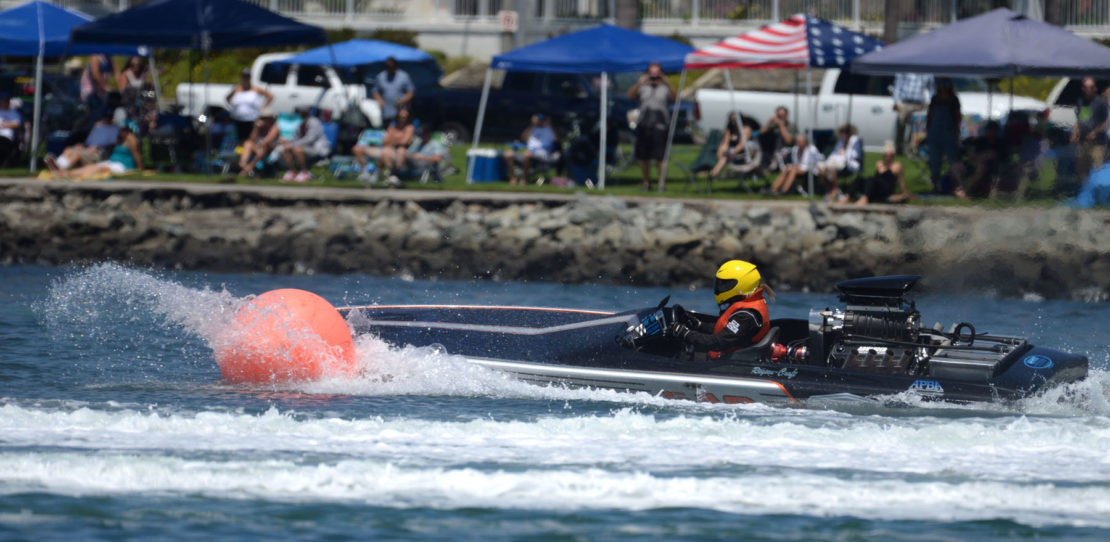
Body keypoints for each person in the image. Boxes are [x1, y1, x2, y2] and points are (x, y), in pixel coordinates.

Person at [669, 260, 774, 359]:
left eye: (725, 284)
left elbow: (717, 342)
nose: (720, 287)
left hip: (725, 363)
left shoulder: (746, 316)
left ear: (742, 285)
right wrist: (699, 324)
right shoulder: (748, 307)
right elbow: (725, 330)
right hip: (724, 357)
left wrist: (684, 333)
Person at [628, 61, 676, 191]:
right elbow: (630, 96)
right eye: (652, 74)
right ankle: (646, 183)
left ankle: (661, 184)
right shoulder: (643, 87)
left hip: (660, 125)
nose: (654, 77)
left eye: (657, 74)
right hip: (644, 124)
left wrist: (667, 82)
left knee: (661, 157)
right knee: (643, 156)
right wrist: (640, 82)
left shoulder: (665, 88)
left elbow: (675, 98)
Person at [926, 77, 966, 197]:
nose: (943, 86)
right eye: (941, 83)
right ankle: (936, 185)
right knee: (935, 160)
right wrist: (928, 131)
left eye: (946, 83)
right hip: (935, 133)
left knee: (952, 159)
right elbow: (929, 116)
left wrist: (956, 132)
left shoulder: (954, 99)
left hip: (949, 133)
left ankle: (957, 185)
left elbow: (957, 117)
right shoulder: (935, 99)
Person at [55, 125, 142, 180]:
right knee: (91, 166)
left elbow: (136, 155)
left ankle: (68, 174)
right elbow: (108, 146)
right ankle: (66, 173)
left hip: (123, 165)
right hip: (113, 162)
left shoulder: (131, 139)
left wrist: (140, 169)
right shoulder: (119, 139)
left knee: (99, 169)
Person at [45, 113, 120, 172]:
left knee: (77, 154)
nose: (105, 119)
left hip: (99, 152)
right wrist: (82, 145)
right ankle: (57, 165)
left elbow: (113, 144)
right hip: (88, 148)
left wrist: (97, 147)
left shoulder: (115, 129)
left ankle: (60, 169)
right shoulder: (98, 126)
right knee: (69, 149)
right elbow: (89, 141)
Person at [503, 114, 558, 185]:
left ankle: (524, 179)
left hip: (543, 154)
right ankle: (513, 178)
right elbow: (523, 138)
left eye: (541, 119)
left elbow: (558, 140)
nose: (540, 121)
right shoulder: (532, 128)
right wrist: (532, 124)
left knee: (527, 154)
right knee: (508, 154)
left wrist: (550, 124)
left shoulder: (549, 129)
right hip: (528, 152)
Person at [279, 107, 331, 183]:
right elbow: (295, 138)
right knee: (285, 149)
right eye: (300, 111)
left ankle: (304, 172)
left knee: (298, 149)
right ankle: (292, 172)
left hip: (317, 149)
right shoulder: (301, 123)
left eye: (303, 111)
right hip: (305, 148)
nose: (301, 113)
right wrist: (287, 142)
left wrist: (292, 144)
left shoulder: (314, 122)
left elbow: (310, 139)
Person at [850, 141, 911, 205]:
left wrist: (903, 193)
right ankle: (847, 196)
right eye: (886, 155)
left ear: (893, 156)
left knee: (871, 180)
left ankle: (865, 198)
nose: (888, 158)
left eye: (890, 156)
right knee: (860, 179)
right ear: (883, 155)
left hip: (886, 188)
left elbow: (901, 182)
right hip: (877, 187)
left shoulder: (897, 166)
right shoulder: (879, 164)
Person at [1073, 76, 1108, 184]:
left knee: (1097, 169)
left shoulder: (1101, 103)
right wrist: (1075, 133)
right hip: (1083, 142)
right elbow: (1081, 119)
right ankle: (1085, 189)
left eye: (1091, 87)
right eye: (1086, 87)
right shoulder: (1081, 102)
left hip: (1097, 144)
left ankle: (1097, 190)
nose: (1089, 90)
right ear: (1083, 88)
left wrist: (1095, 132)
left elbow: (1105, 123)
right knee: (1082, 168)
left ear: (1095, 88)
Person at [226, 68, 275, 144]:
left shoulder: (255, 88)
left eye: (247, 76)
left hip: (252, 119)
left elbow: (270, 96)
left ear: (250, 78)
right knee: (239, 140)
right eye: (244, 76)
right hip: (238, 119)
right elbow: (227, 98)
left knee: (251, 140)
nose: (246, 78)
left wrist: (263, 106)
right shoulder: (237, 88)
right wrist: (234, 108)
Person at [818, 123, 863, 202]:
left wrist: (845, 154)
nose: (843, 134)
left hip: (848, 163)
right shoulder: (840, 142)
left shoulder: (855, 141)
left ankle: (834, 190)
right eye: (842, 132)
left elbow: (855, 155)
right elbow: (835, 154)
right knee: (821, 168)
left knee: (831, 168)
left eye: (846, 132)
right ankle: (831, 188)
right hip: (836, 161)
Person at [891, 73, 934, 155]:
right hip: (905, 103)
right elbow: (898, 86)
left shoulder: (927, 73)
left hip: (920, 104)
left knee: (916, 129)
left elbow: (931, 89)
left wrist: (931, 102)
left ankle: (912, 150)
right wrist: (896, 101)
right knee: (900, 125)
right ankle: (899, 148)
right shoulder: (905, 71)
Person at [965, 120, 1010, 198]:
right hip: (977, 165)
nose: (992, 132)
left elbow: (999, 156)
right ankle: (966, 189)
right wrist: (981, 157)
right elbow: (973, 155)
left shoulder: (1001, 143)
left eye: (994, 130)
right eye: (990, 129)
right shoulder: (981, 141)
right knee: (979, 167)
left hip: (995, 167)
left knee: (982, 166)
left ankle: (968, 189)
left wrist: (986, 156)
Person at [709, 112, 753, 179]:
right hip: (732, 152)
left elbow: (742, 144)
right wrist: (721, 150)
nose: (733, 121)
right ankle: (714, 173)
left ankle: (713, 174)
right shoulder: (729, 129)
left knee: (724, 158)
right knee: (723, 156)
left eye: (735, 119)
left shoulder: (746, 129)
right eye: (731, 119)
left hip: (744, 152)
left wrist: (732, 152)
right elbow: (725, 143)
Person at [372, 57, 414, 125]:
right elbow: (375, 91)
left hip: (400, 112)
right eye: (388, 67)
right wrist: (379, 100)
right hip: (386, 111)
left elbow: (411, 92)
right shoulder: (381, 76)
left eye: (392, 67)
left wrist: (402, 101)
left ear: (396, 66)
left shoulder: (404, 76)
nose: (390, 69)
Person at [238, 109, 279, 177]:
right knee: (248, 143)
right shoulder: (259, 127)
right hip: (260, 147)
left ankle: (250, 167)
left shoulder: (275, 127)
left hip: (271, 148)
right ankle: (243, 164)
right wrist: (256, 128)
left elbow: (268, 140)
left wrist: (259, 144)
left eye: (264, 118)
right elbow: (252, 139)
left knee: (263, 148)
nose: (262, 120)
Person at [380, 107, 414, 187]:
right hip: (391, 150)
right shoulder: (392, 128)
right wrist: (397, 140)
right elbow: (385, 141)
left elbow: (404, 142)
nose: (402, 119)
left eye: (405, 117)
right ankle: (392, 175)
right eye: (400, 117)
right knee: (385, 151)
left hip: (406, 151)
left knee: (401, 150)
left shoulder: (409, 127)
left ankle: (394, 174)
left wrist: (392, 140)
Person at [757, 106, 795, 172]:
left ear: (786, 116)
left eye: (782, 116)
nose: (780, 118)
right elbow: (760, 133)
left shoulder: (791, 126)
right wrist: (769, 122)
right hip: (769, 149)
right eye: (778, 116)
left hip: (784, 150)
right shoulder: (773, 125)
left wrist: (781, 126)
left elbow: (788, 141)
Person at [79, 54, 116, 122]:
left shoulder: (109, 57)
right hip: (90, 90)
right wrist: (105, 86)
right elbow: (95, 73)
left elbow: (116, 72)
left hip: (101, 91)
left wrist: (122, 89)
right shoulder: (95, 56)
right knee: (93, 113)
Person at [0, 93, 21, 166]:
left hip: (7, 136)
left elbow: (17, 124)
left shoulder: (14, 113)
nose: (5, 102)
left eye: (7, 101)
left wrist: (3, 125)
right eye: (4, 101)